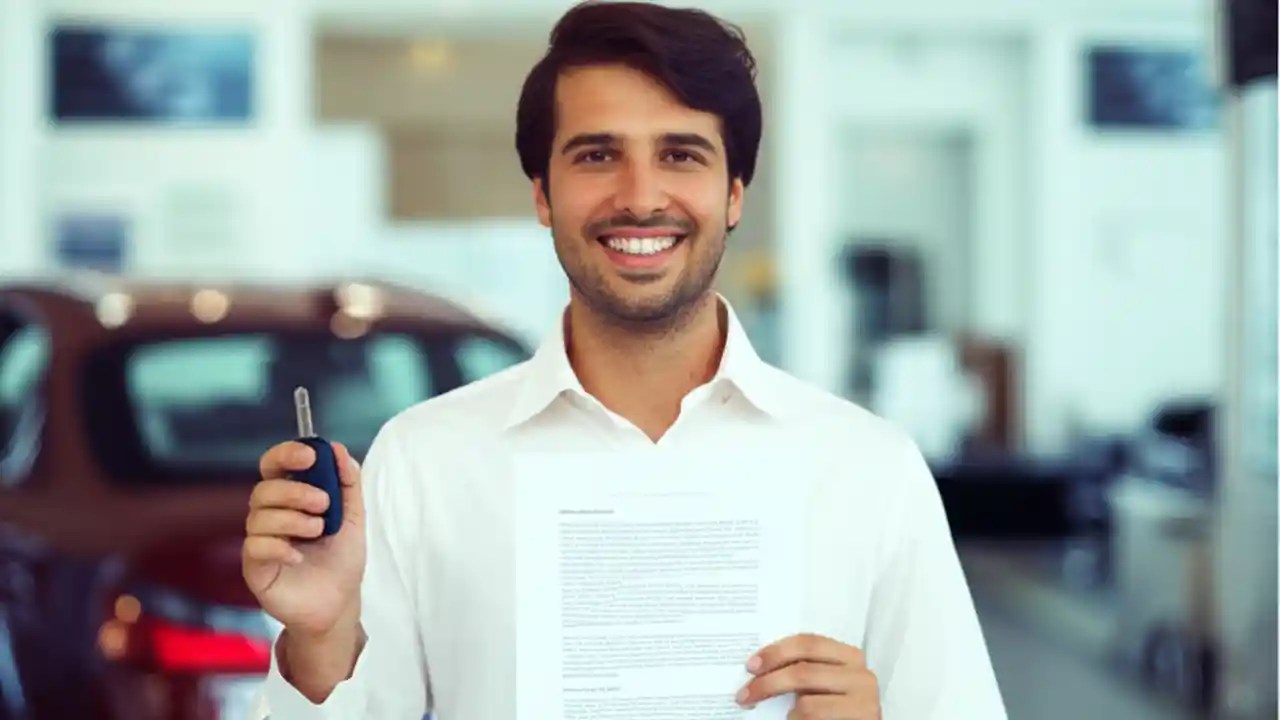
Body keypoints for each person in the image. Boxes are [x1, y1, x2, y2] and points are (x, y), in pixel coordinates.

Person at [245, 2, 1007, 718]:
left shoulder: (871, 469)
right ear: (543, 194)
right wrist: (318, 639)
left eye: (681, 154)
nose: (641, 197)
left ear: (734, 193)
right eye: (597, 154)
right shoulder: (425, 461)